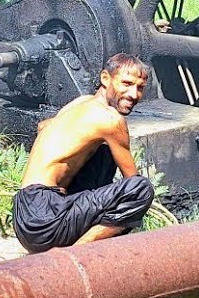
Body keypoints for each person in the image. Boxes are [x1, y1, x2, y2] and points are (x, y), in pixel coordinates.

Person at [11, 54, 156, 253]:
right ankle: (76, 254)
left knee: (102, 152)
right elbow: (132, 181)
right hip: (46, 217)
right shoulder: (111, 119)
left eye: (140, 87)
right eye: (127, 83)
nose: (133, 94)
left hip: (24, 215)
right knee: (142, 189)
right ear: (105, 78)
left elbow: (42, 126)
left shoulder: (82, 102)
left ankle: (75, 240)